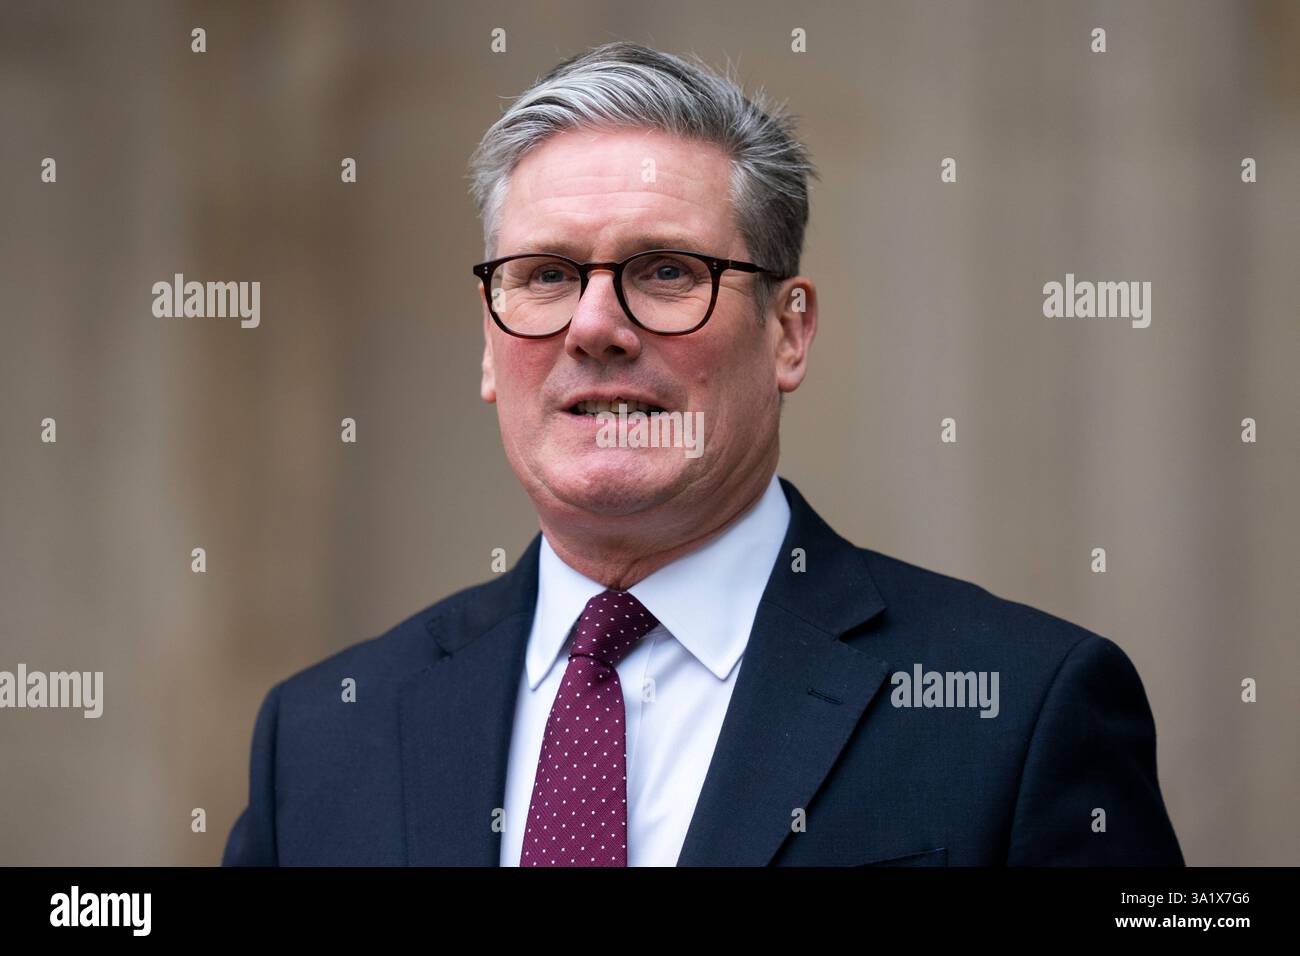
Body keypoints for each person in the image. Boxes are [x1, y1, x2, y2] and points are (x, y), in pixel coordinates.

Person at [223, 41, 1182, 866]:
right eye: (547, 275)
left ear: (789, 333)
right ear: (488, 339)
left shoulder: (1018, 711)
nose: (595, 325)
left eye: (667, 271)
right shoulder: (319, 738)